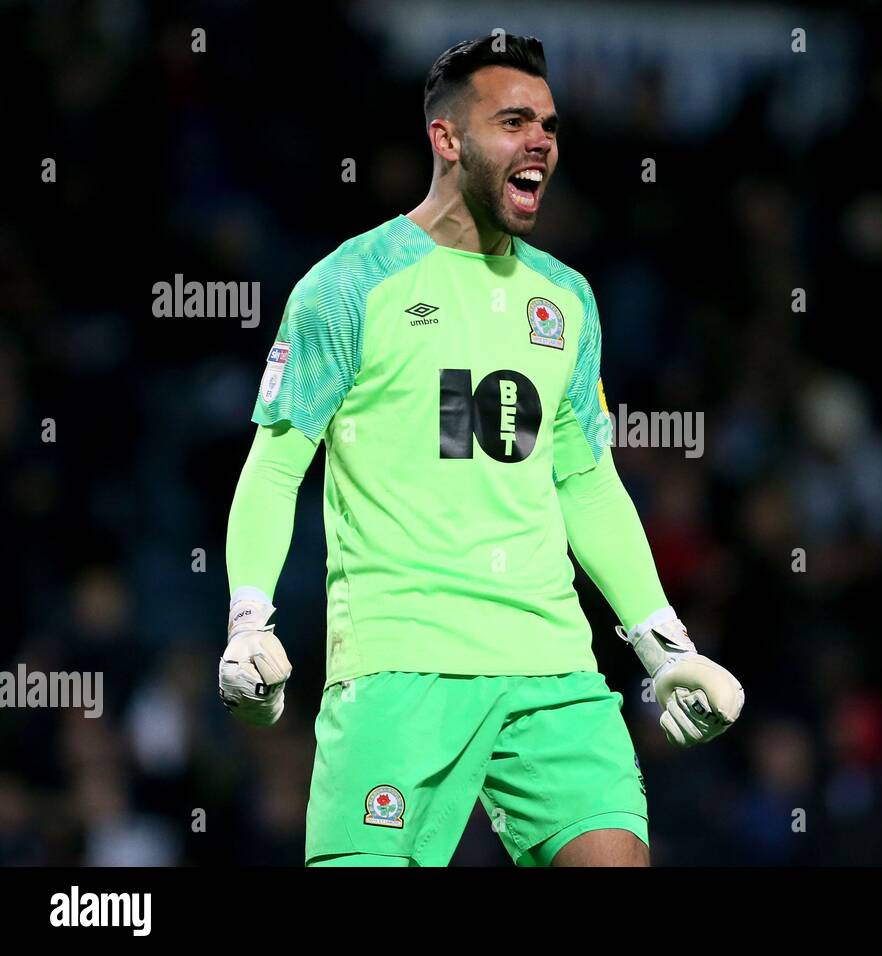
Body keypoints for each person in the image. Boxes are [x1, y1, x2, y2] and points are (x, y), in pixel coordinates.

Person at [219, 34, 744, 867]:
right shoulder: (348, 287)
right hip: (401, 666)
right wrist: (250, 619)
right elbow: (276, 464)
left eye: (550, 123)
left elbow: (587, 481)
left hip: (552, 668)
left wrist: (664, 646)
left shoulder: (567, 299)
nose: (542, 140)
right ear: (448, 139)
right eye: (513, 120)